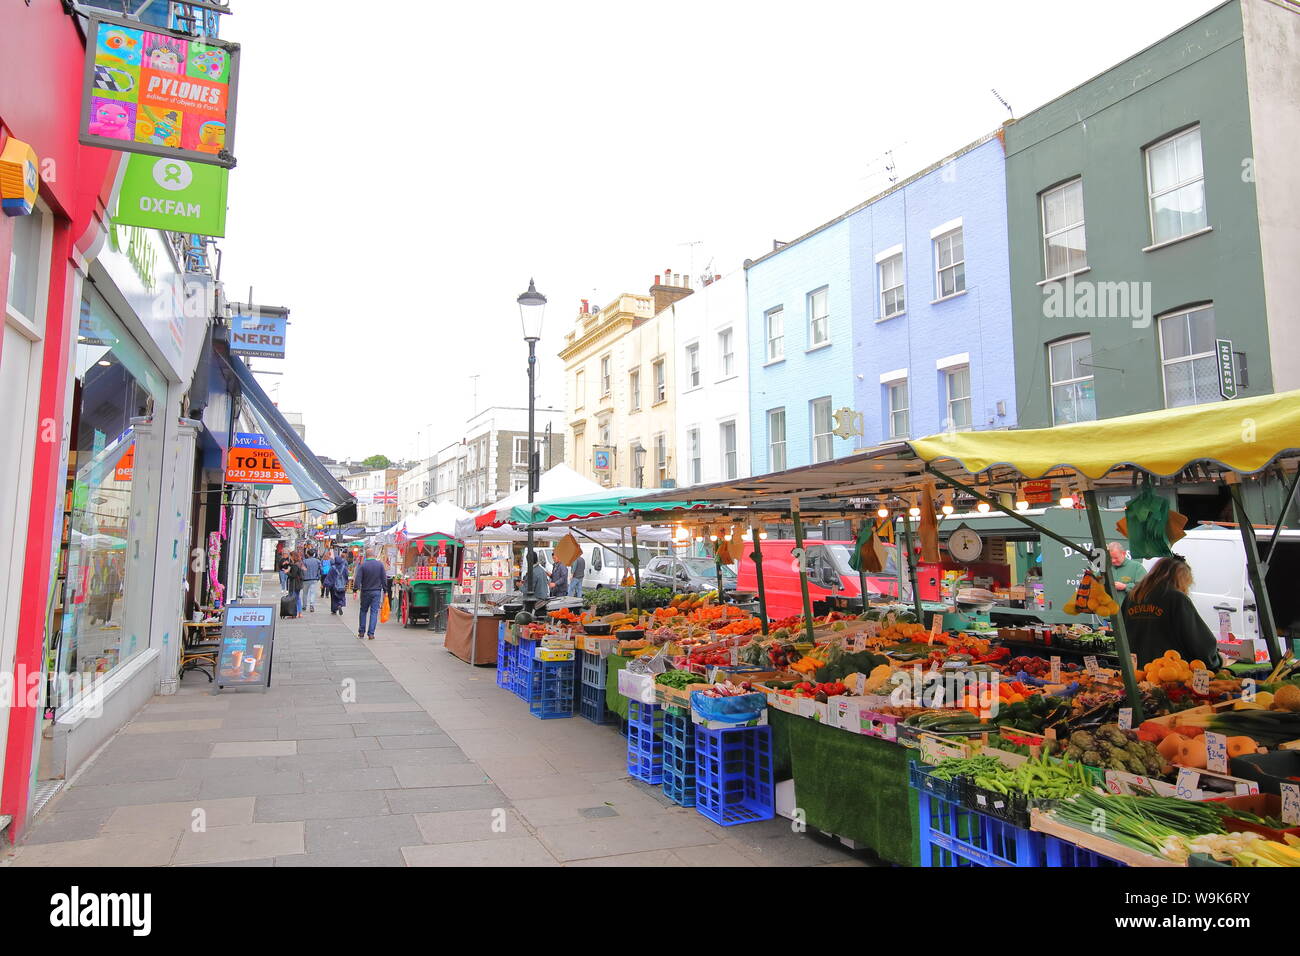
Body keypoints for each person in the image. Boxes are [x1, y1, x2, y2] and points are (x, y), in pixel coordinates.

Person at [1121, 555, 1221, 670]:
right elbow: (1200, 641)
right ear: (1182, 578)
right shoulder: (1176, 598)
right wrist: (1216, 659)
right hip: (1169, 672)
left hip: (1135, 670)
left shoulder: (1132, 597)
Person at [352, 546, 388, 639]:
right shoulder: (380, 565)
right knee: (374, 612)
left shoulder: (363, 565)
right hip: (376, 591)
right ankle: (371, 633)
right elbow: (384, 578)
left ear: (366, 556)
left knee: (363, 611)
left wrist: (355, 589)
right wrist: (385, 590)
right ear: (374, 555)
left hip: (365, 591)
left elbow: (358, 579)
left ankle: (361, 632)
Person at [285, 550, 304, 618]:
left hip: (294, 584)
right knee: (297, 598)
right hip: (298, 584)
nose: (290, 558)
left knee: (293, 598)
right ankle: (299, 613)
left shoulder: (296, 565)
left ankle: (293, 614)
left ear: (293, 557)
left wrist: (287, 572)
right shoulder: (300, 563)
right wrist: (289, 564)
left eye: (291, 556)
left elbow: (293, 575)